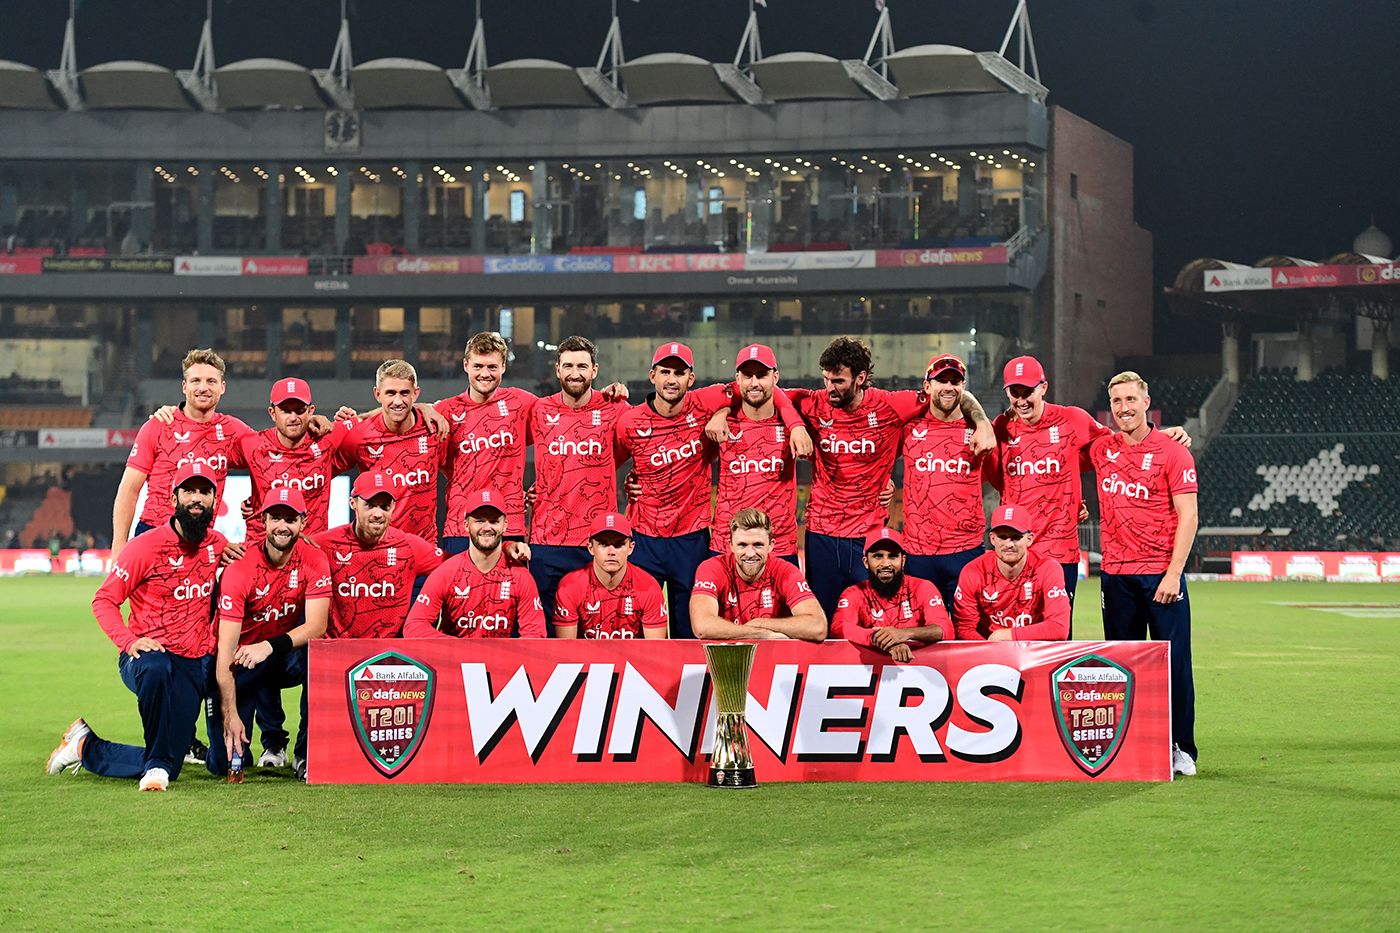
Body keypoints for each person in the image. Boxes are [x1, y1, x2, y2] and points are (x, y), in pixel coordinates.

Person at [765, 336, 994, 619]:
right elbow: (770, 390)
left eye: (838, 381)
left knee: (876, 617)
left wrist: (982, 422)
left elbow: (951, 393)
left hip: (869, 534)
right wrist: (797, 425)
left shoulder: (891, 405)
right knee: (822, 620)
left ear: (860, 377)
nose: (829, 389)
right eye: (826, 379)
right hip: (822, 534)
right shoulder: (814, 404)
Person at [46, 462, 227, 791]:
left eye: (204, 492)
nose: (197, 498)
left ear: (215, 500)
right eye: (189, 491)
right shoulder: (145, 547)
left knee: (169, 766)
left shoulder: (216, 544)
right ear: (174, 498)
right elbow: (103, 600)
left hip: (193, 663)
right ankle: (155, 763)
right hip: (147, 658)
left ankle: (84, 746)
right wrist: (129, 642)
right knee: (155, 669)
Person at [616, 341, 809, 637]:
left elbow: (770, 394)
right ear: (652, 375)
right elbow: (607, 462)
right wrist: (629, 482)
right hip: (655, 538)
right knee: (643, 627)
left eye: (679, 373)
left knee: (699, 634)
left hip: (708, 539)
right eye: (665, 371)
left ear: (690, 379)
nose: (671, 379)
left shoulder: (708, 405)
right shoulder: (630, 421)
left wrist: (795, 424)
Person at [991, 355, 1190, 618]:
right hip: (1013, 552)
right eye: (1014, 393)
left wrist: (1159, 437)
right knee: (1012, 628)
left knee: (1056, 635)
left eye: (1027, 391)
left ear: (1043, 387)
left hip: (1059, 552)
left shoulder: (1072, 419)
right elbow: (998, 480)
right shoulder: (1000, 428)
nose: (1022, 400)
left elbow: (1121, 443)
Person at [1088, 371, 1200, 776]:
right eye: (1117, 401)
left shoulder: (1173, 451)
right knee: (1122, 666)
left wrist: (1174, 574)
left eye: (1131, 400)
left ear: (1146, 401)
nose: (1124, 408)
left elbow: (1188, 517)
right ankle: (1132, 742)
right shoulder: (1101, 449)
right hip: (1116, 575)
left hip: (1160, 575)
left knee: (1175, 665)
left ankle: (1182, 748)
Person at [208, 487, 330, 782]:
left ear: (303, 522)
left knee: (319, 655)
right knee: (222, 764)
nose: (282, 526)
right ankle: (266, 741)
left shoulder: (314, 559)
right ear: (263, 521)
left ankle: (304, 751)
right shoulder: (240, 567)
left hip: (275, 654)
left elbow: (317, 625)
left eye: (290, 519)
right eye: (276, 517)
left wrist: (269, 646)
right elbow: (226, 650)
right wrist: (230, 713)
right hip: (238, 662)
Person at [111, 348, 254, 559]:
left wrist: (317, 423)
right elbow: (129, 491)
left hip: (200, 541)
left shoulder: (233, 431)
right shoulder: (159, 425)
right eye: (196, 381)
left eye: (211, 381)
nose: (203, 388)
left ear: (222, 387)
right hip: (153, 536)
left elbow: (273, 456)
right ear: (184, 386)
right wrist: (119, 548)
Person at [527, 336, 628, 624]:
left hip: (596, 540)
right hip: (547, 540)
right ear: (557, 369)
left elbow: (645, 443)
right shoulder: (538, 410)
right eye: (568, 366)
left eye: (582, 366)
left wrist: (636, 480)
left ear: (594, 370)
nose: (575, 373)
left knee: (597, 627)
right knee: (545, 631)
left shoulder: (616, 408)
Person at [899, 353, 993, 608]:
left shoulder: (979, 433)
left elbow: (1004, 478)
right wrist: (885, 481)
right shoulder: (908, 428)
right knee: (921, 634)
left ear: (963, 387)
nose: (949, 387)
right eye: (941, 381)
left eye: (955, 381)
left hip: (966, 552)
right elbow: (878, 459)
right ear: (927, 386)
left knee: (969, 635)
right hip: (918, 553)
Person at [314, 470, 444, 638]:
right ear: (353, 503)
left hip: (387, 656)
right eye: (370, 505)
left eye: (385, 507)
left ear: (394, 507)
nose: (378, 514)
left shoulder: (409, 546)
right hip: (335, 653)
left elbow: (458, 567)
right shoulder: (324, 544)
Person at [402, 489, 546, 639]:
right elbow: (414, 626)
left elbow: (535, 634)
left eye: (494, 521)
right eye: (479, 521)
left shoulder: (520, 576)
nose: (487, 527)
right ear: (466, 525)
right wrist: (460, 649)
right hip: (453, 660)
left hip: (501, 661)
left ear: (505, 526)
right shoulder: (447, 571)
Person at [709, 344, 803, 566]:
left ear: (775, 377)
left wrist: (881, 478)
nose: (754, 383)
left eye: (761, 375)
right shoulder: (720, 422)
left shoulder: (793, 419)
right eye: (747, 376)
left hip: (779, 547)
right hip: (726, 545)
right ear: (738, 379)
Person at [336, 360, 448, 544]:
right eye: (390, 393)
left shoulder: (434, 428)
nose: (398, 401)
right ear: (377, 394)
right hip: (377, 550)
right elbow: (323, 470)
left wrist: (426, 407)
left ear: (416, 393)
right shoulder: (359, 434)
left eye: (404, 393)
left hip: (424, 549)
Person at [690, 507, 827, 642]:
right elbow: (702, 626)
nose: (750, 553)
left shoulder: (785, 571)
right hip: (726, 659)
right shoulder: (712, 569)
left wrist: (761, 623)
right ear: (730, 545)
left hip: (774, 658)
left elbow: (818, 627)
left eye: (758, 545)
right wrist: (762, 634)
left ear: (771, 545)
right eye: (742, 545)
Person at [831, 527, 953, 662]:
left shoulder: (923, 587)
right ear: (866, 562)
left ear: (903, 561)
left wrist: (904, 634)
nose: (886, 563)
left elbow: (945, 630)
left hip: (920, 669)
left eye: (893, 556)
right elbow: (839, 627)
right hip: (870, 673)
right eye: (878, 556)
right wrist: (878, 638)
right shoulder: (854, 592)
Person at [952, 504, 1070, 642]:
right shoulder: (973, 571)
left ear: (1029, 539)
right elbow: (964, 628)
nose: (1009, 544)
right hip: (987, 655)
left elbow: (1059, 628)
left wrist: (1005, 636)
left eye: (1016, 537)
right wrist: (990, 650)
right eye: (1002, 537)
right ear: (992, 538)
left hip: (1033, 654)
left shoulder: (1047, 569)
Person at [553, 512, 668, 640]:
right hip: (585, 659)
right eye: (603, 544)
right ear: (590, 548)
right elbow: (565, 650)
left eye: (619, 545)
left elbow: (655, 651)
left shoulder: (648, 586)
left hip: (632, 660)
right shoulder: (570, 586)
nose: (611, 552)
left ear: (631, 548)